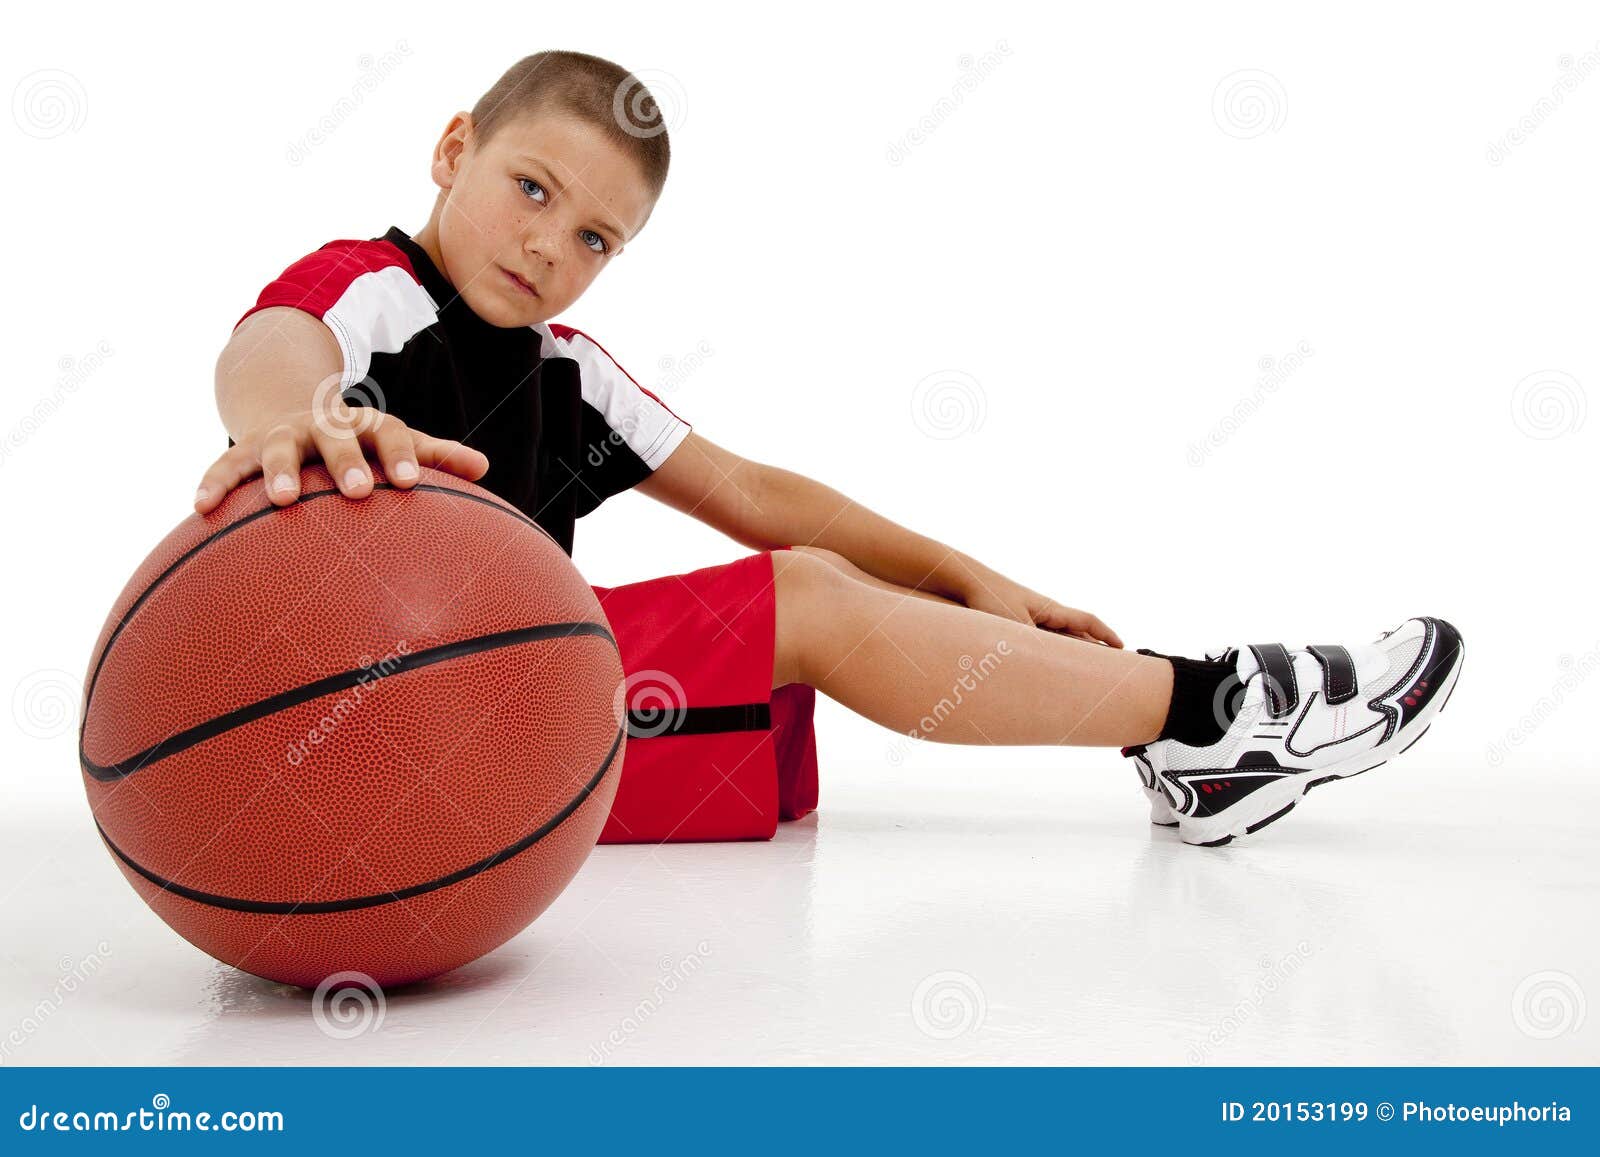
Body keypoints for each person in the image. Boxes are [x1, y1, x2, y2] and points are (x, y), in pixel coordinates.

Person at [197, 50, 1463, 850]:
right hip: (336, 731)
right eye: (532, 189)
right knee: (801, 600)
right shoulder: (372, 292)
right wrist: (290, 424)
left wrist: (964, 573)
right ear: (454, 147)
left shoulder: (566, 371)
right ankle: (1212, 717)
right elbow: (275, 341)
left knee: (814, 587)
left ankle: (1183, 745)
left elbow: (750, 491)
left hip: (485, 729)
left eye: (594, 238)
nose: (548, 247)